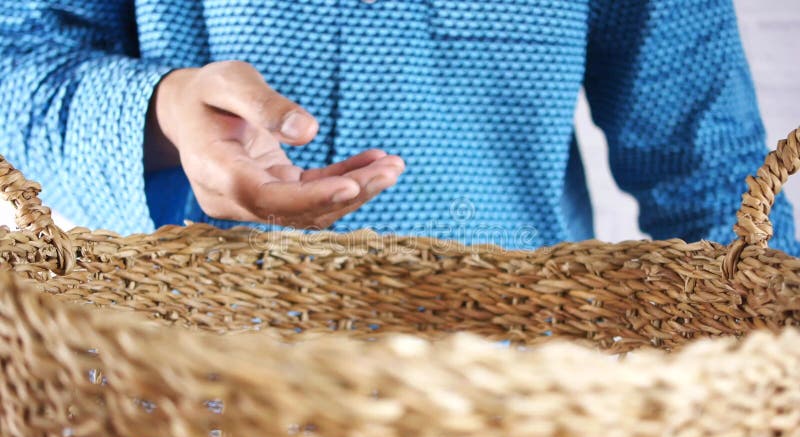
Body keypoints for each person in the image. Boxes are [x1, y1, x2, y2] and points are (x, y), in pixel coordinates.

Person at [0, 0, 796, 253]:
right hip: (189, 397)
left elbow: (711, 169)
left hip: (516, 402)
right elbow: (20, 63)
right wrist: (163, 112)